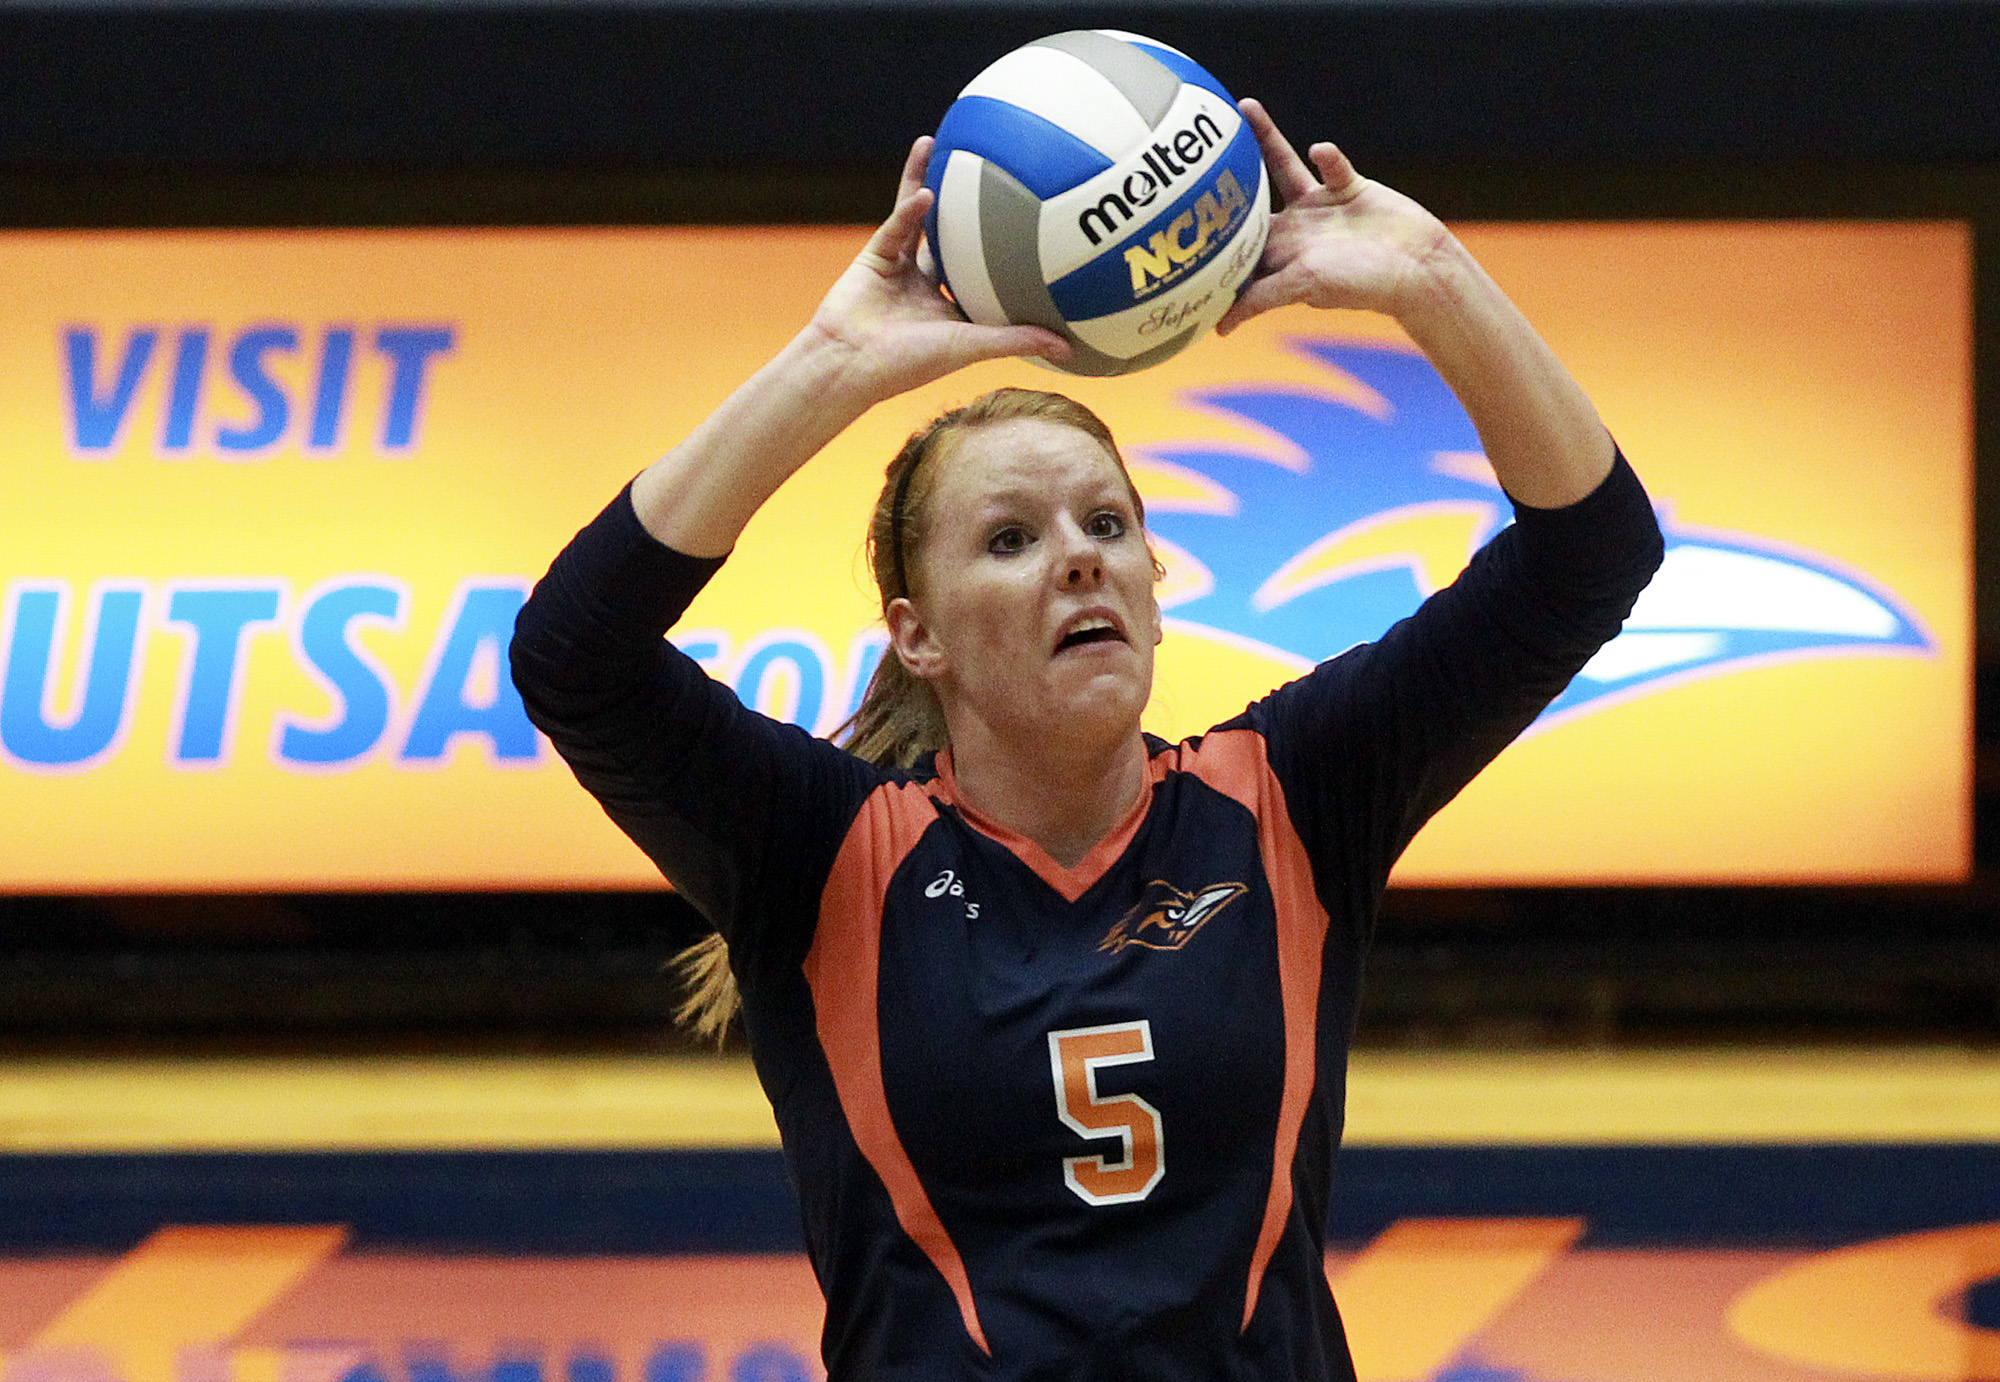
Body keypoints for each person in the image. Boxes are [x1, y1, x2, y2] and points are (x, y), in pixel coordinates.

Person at [510, 100, 1664, 1382]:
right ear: (918, 635)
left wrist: (1433, 281)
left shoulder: (1285, 797)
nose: (1075, 560)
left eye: (1105, 526)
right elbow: (575, 655)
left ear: (1155, 582)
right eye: (1009, 540)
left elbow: (1592, 552)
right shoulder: (826, 856)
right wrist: (830, 363)